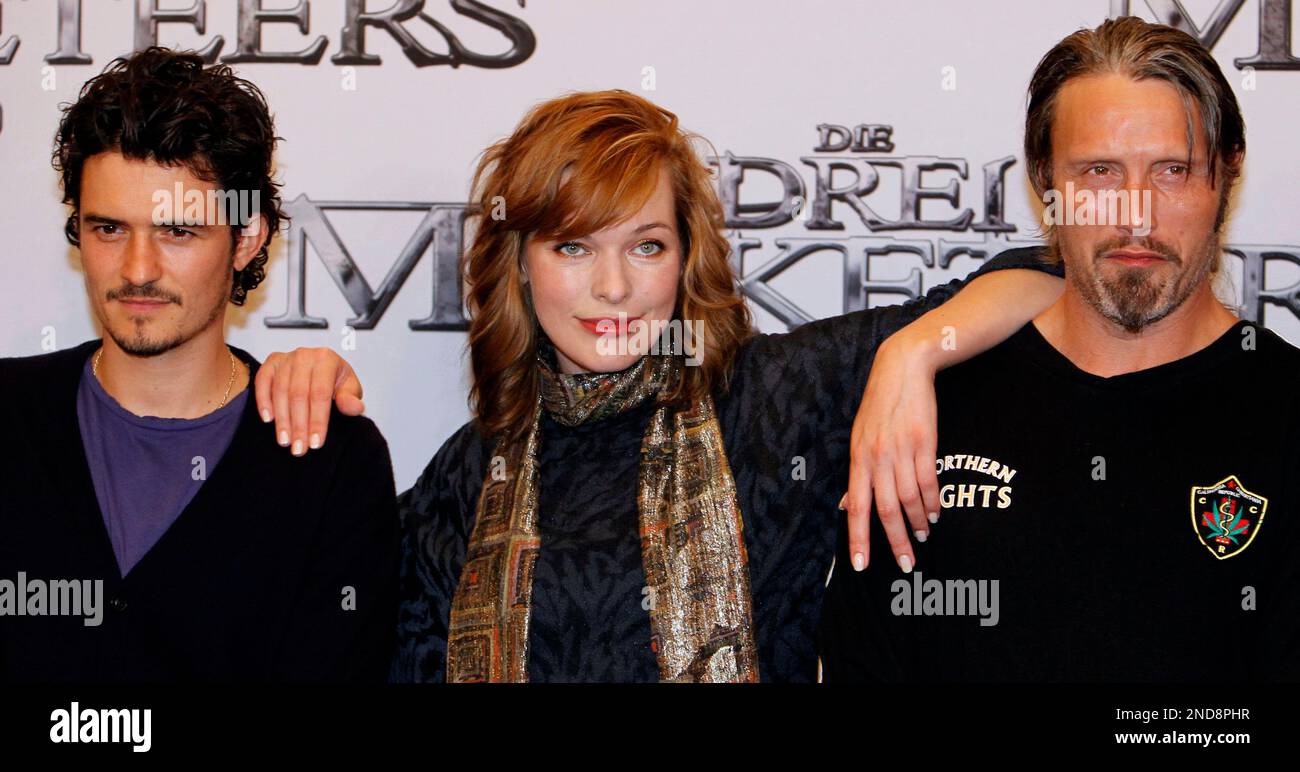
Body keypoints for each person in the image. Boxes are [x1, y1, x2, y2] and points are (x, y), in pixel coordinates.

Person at [258, 89, 1066, 681]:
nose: (612, 287)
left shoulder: (776, 398)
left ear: (685, 259)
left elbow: (1049, 274)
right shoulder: (466, 477)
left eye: (645, 246)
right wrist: (296, 377)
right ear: (520, 264)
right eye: (573, 247)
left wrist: (910, 353)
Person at [820, 16, 1300, 682]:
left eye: (1173, 171)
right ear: (1047, 182)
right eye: (1100, 172)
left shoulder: (1289, 417)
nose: (1136, 215)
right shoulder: (922, 412)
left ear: (1228, 175)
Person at [0, 48, 399, 681]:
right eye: (109, 229)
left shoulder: (327, 457)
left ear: (245, 239)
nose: (137, 269)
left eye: (177, 232)